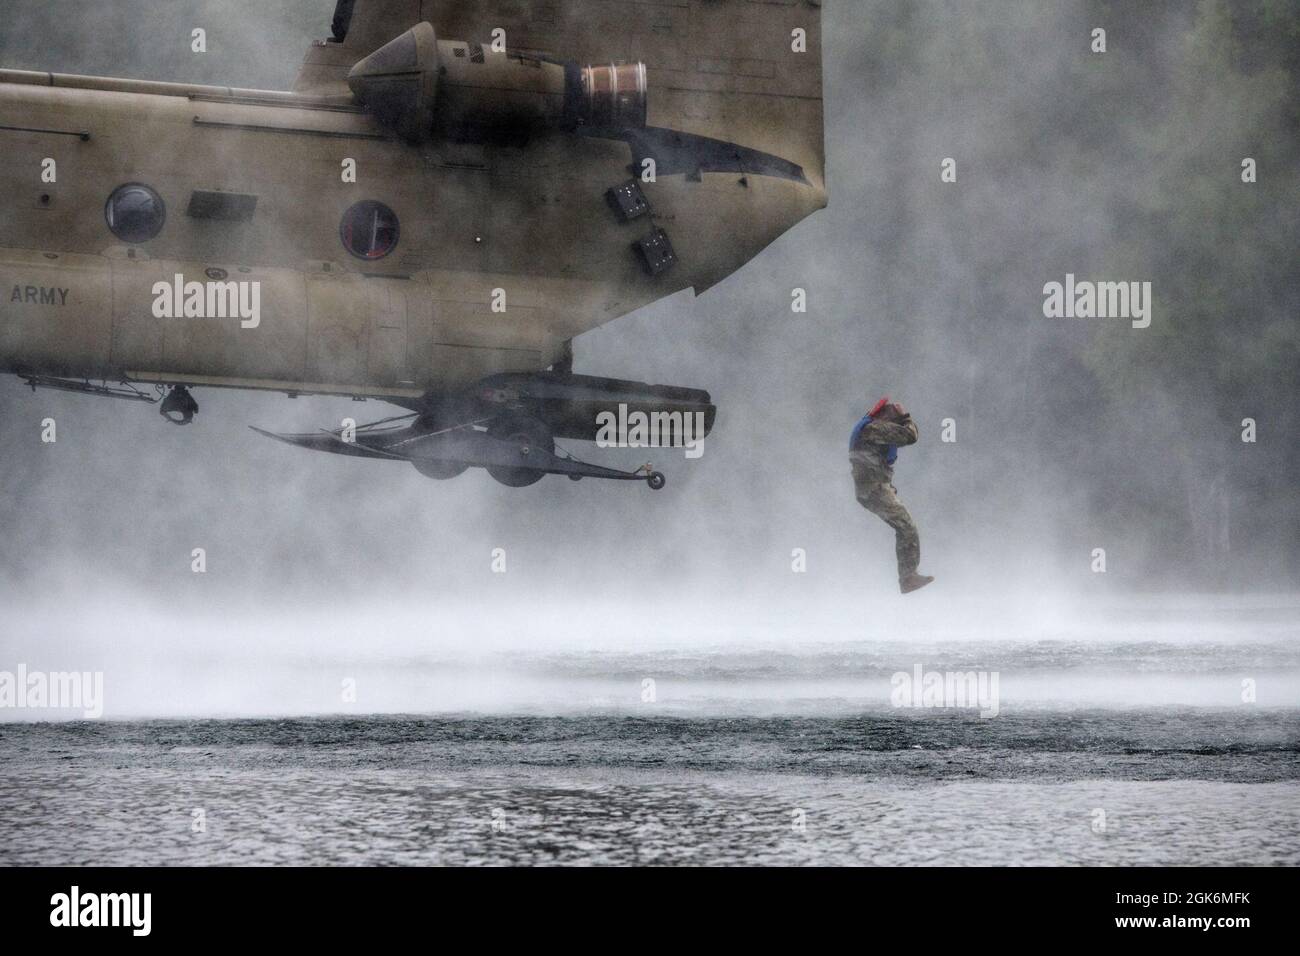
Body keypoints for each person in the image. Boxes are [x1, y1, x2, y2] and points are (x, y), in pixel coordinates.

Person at [850, 397, 934, 593]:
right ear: (885, 418)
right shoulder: (874, 429)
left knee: (904, 527)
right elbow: (910, 436)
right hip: (874, 490)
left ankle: (908, 577)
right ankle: (908, 578)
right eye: (893, 421)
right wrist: (905, 417)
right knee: (907, 527)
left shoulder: (870, 430)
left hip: (874, 489)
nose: (894, 427)